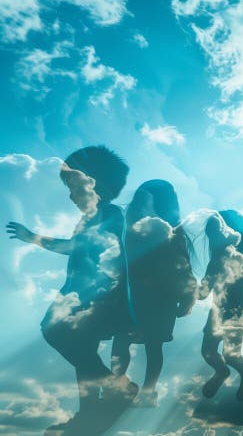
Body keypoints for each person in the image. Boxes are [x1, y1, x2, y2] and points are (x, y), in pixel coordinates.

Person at [6, 146, 136, 431]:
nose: (70, 194)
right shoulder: (93, 217)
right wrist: (34, 238)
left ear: (95, 184)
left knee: (54, 329)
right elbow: (74, 247)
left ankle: (117, 387)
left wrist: (34, 237)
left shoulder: (110, 213)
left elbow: (83, 247)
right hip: (82, 291)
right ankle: (90, 410)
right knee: (83, 347)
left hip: (94, 293)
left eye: (74, 186)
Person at [111, 179, 197, 407]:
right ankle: (127, 387)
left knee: (144, 343)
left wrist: (187, 297)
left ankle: (146, 391)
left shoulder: (168, 229)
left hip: (157, 295)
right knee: (130, 341)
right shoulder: (131, 225)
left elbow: (183, 265)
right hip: (139, 293)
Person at [199, 210, 243, 401]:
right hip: (217, 312)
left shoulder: (239, 260)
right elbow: (203, 292)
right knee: (207, 351)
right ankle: (222, 372)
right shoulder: (216, 262)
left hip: (236, 312)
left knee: (232, 355)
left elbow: (204, 291)